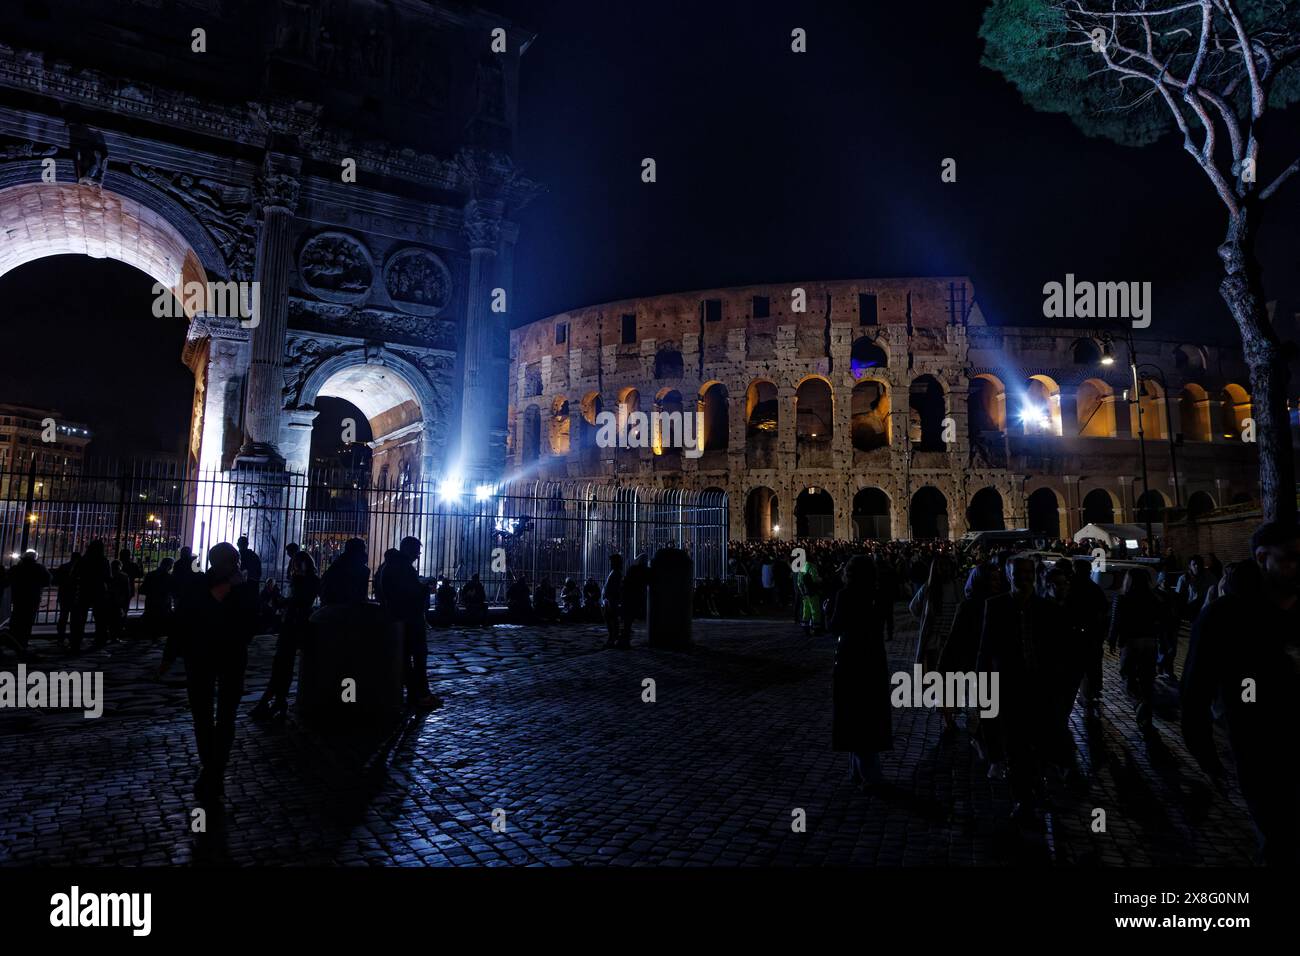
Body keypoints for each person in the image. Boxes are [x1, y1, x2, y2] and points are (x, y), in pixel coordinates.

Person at [1182, 521, 1300, 866]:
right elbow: (1195, 692)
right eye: (1292, 558)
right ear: (1262, 558)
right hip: (1263, 754)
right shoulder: (1224, 617)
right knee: (1285, 842)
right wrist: (1208, 758)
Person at [977, 556, 1067, 819]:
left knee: (1040, 743)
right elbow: (986, 649)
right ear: (1009, 575)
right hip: (1009, 689)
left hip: (1040, 688)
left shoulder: (1047, 609)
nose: (1025, 577)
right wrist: (982, 685)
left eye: (1029, 572)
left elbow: (1058, 652)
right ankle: (1023, 798)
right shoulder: (994, 606)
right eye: (1019, 573)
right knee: (1015, 747)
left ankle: (1040, 789)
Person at [174, 541, 259, 800]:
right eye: (233, 560)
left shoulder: (201, 585)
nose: (237, 565)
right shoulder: (228, 587)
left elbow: (184, 619)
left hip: (207, 657)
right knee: (218, 717)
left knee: (211, 716)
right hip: (223, 656)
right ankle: (214, 766)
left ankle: (212, 766)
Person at [830, 555, 892, 789]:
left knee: (852, 710)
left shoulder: (845, 595)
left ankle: (864, 770)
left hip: (850, 656)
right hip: (873, 654)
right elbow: (884, 619)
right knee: (870, 709)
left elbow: (834, 626)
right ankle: (861, 767)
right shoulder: (878, 594)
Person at [251, 551, 319, 721]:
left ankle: (272, 701)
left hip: (293, 625)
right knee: (284, 665)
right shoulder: (313, 580)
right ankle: (276, 701)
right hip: (300, 624)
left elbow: (294, 601)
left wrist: (275, 595)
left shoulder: (300, 581)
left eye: (296, 563)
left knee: (281, 664)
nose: (293, 566)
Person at [377, 536, 440, 711]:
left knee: (404, 659)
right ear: (408, 550)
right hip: (411, 619)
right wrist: (424, 589)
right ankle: (422, 695)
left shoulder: (389, 565)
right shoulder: (403, 568)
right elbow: (410, 593)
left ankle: (411, 694)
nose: (418, 556)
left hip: (397, 617)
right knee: (419, 659)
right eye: (416, 552)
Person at [1108, 568, 1163, 732]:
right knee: (1147, 679)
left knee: (1128, 677)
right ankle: (1147, 716)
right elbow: (1159, 620)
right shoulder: (1154, 599)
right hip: (1150, 642)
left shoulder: (1122, 598)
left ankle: (1139, 704)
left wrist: (1112, 640)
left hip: (1131, 642)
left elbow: (1115, 621)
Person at [1065, 558, 1109, 721]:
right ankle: (1092, 692)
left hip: (1077, 635)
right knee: (1093, 665)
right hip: (1092, 634)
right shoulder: (1094, 588)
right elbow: (1103, 610)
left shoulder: (1071, 587)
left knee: (1078, 667)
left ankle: (1086, 694)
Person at [70, 540, 113, 652]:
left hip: (85, 589)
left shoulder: (83, 560)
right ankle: (100, 639)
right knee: (100, 618)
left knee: (80, 618)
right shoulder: (103, 561)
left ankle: (76, 641)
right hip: (99, 590)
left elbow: (74, 575)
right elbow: (108, 577)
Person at [6, 550, 50, 654]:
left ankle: (14, 640)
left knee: (17, 618)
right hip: (33, 598)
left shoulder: (17, 568)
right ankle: (23, 642)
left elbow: (8, 579)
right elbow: (47, 580)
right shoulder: (39, 568)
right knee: (28, 621)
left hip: (19, 597)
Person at [320, 538, 369, 605]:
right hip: (344, 608)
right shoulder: (362, 570)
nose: (365, 552)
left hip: (332, 606)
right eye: (363, 549)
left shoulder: (337, 565)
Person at [138, 557, 175, 640]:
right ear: (169, 566)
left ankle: (150, 635)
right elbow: (171, 590)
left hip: (151, 600)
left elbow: (143, 588)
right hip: (163, 602)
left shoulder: (151, 574)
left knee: (151, 617)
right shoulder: (168, 577)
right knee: (160, 619)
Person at [621, 552, 650, 646]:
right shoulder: (645, 570)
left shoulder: (632, 569)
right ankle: (625, 639)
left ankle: (625, 638)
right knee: (630, 618)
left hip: (628, 596)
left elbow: (625, 581)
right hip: (636, 596)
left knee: (628, 618)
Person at [52, 553, 79, 641]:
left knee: (63, 616)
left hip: (64, 594)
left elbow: (56, 580)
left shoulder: (63, 566)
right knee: (75, 618)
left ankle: (61, 636)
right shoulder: (80, 568)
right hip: (75, 595)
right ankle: (74, 637)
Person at [602, 555, 624, 649]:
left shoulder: (616, 573)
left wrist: (610, 600)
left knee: (612, 620)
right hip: (609, 600)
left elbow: (615, 588)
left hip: (612, 600)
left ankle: (612, 639)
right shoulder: (614, 572)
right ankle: (612, 638)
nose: (610, 563)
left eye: (611, 561)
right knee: (610, 619)